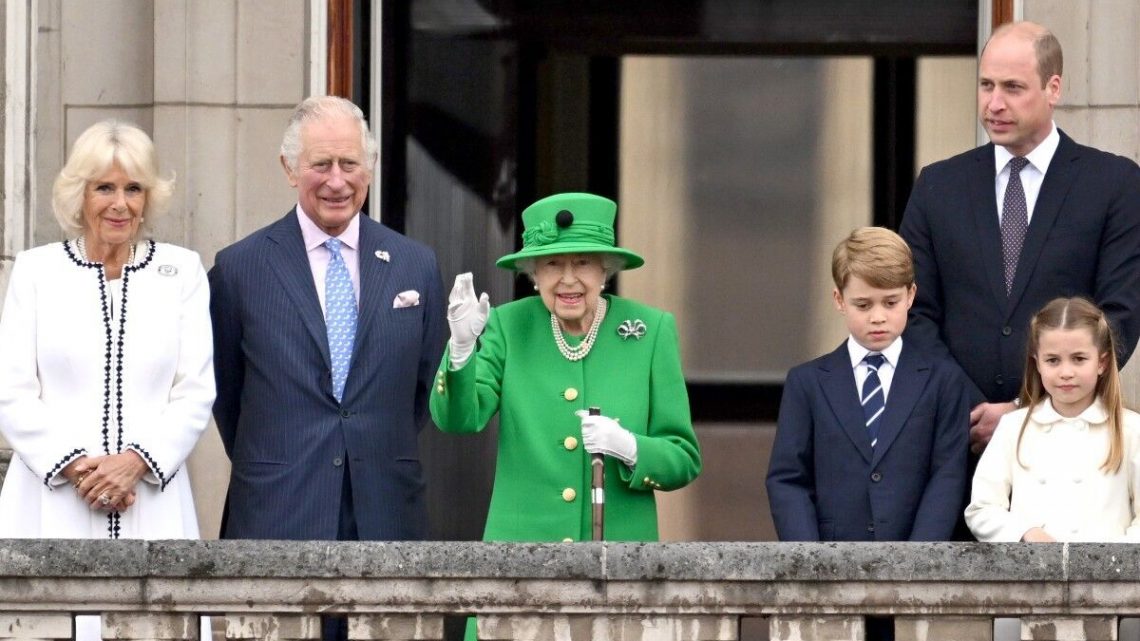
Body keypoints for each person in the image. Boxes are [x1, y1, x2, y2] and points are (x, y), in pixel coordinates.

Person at [0, 120, 215, 639]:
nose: (120, 204)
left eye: (133, 188)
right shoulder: (35, 272)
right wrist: (80, 471)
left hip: (152, 501)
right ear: (81, 194)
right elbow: (11, 391)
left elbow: (195, 391)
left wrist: (134, 463)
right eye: (105, 187)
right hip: (51, 504)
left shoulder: (182, 272)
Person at [209, 95, 445, 544]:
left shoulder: (416, 265)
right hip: (277, 509)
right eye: (321, 164)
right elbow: (226, 393)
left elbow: (423, 389)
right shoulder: (240, 268)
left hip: (386, 509)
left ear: (370, 168)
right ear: (290, 168)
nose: (337, 181)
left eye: (349, 164)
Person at [899, 21, 1140, 457]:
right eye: (986, 85)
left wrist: (1024, 410)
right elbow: (915, 314)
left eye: (1013, 87)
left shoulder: (1114, 184)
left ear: (1053, 88)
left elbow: (1119, 316)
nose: (994, 103)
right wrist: (970, 408)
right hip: (957, 442)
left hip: (1068, 445)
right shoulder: (938, 185)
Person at [433, 191, 701, 541]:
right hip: (523, 555)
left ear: (606, 269)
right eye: (553, 264)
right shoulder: (509, 326)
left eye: (583, 262)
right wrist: (462, 348)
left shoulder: (650, 331)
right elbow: (459, 420)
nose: (569, 279)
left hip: (620, 559)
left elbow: (683, 459)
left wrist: (630, 447)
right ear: (534, 274)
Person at [766, 227, 969, 542]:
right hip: (828, 568)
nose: (878, 317)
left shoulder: (944, 381)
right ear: (839, 300)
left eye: (890, 303)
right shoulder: (806, 383)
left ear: (911, 295)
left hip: (915, 564)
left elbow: (947, 476)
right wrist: (808, 562)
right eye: (863, 305)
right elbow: (788, 479)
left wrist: (919, 561)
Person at [966, 297, 1140, 542]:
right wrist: (1025, 532)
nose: (1066, 372)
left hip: (1106, 578)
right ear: (1037, 363)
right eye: (1053, 360)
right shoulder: (1013, 427)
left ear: (1101, 362)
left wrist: (1110, 560)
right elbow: (982, 508)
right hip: (1031, 575)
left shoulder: (1130, 430)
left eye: (1079, 359)